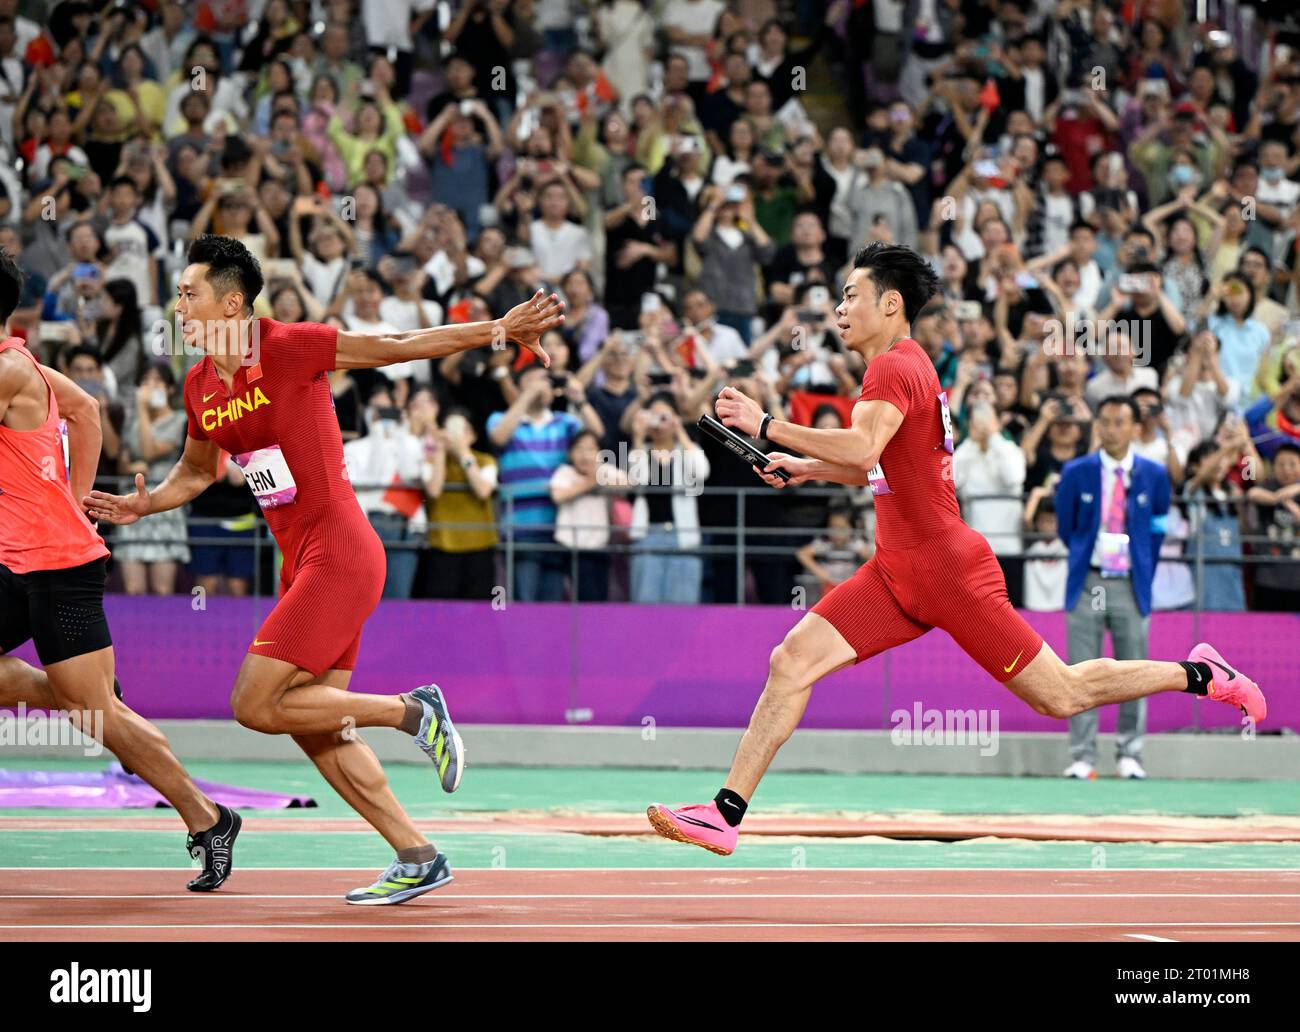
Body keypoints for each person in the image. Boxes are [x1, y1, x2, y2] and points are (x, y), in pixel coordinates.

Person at [646, 243, 1266, 856]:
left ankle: (1202, 674)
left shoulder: (893, 367)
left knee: (1064, 695)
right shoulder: (902, 365)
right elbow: (888, 467)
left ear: (891, 304)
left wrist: (764, 425)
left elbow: (863, 449)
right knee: (791, 661)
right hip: (896, 572)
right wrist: (807, 469)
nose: (839, 308)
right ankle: (724, 814)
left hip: (948, 571)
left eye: (849, 295)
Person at [85, 235, 565, 903]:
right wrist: (146, 504)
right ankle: (417, 855)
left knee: (252, 703)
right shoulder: (198, 383)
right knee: (316, 727)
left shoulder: (289, 345)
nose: (179, 306)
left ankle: (412, 712)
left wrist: (498, 330)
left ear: (233, 302)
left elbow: (396, 347)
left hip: (340, 551)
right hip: (298, 560)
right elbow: (196, 472)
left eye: (190, 294)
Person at [0, 250, 239, 893]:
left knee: (95, 714)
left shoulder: (8, 371)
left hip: (56, 568)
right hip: (14, 562)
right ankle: (87, 696)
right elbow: (87, 413)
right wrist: (77, 500)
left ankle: (209, 818)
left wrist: (66, 516)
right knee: (86, 704)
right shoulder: (33, 369)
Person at [1054, 396, 1172, 780]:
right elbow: (1066, 528)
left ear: (1136, 427)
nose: (1111, 429)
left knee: (1133, 670)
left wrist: (1141, 566)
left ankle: (1130, 753)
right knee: (1079, 672)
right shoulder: (1076, 471)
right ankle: (1083, 757)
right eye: (1104, 421)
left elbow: (1157, 529)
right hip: (1088, 580)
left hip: (1130, 583)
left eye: (1120, 421)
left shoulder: (1154, 474)